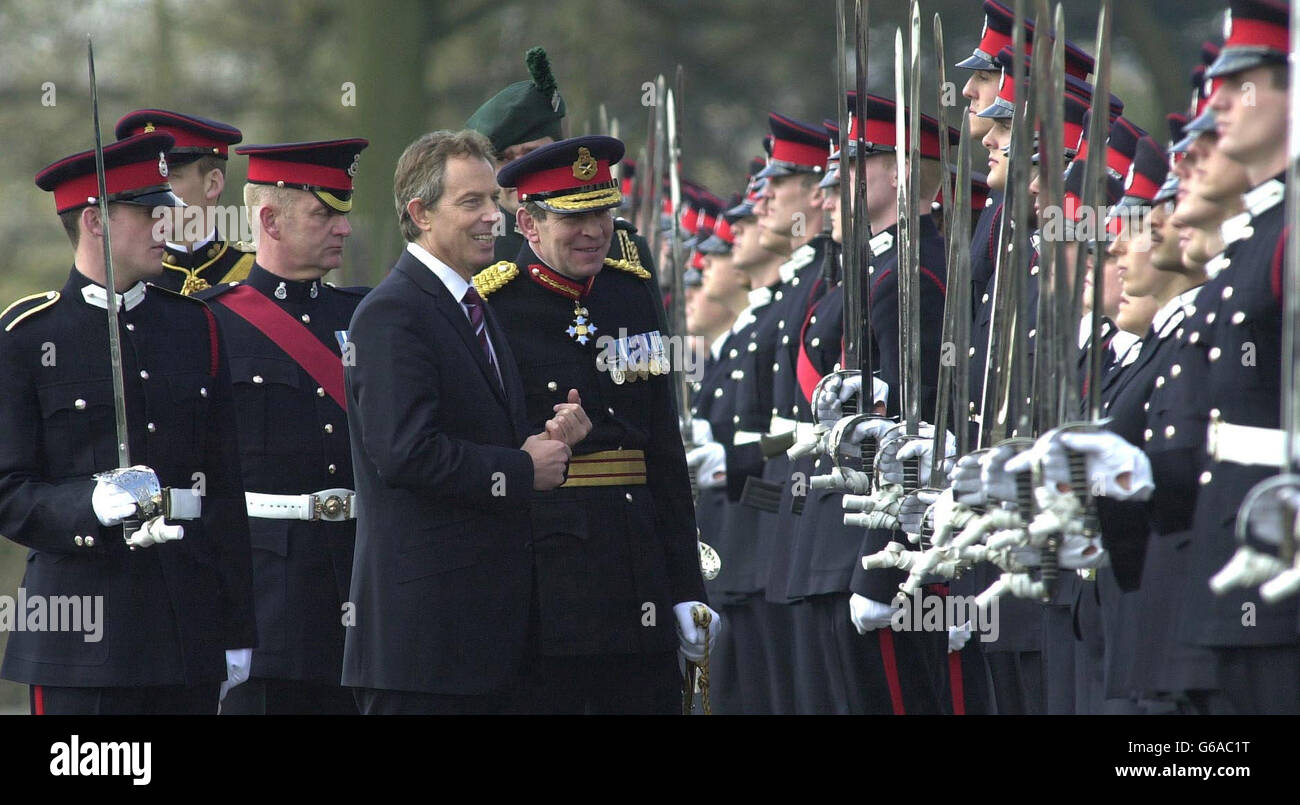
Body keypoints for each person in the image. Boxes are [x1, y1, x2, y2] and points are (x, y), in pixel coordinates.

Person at [0, 131, 255, 714]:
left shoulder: (196, 326)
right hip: (80, 637)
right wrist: (88, 506)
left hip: (184, 630)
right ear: (94, 221)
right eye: (148, 213)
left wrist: (237, 627)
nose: (168, 227)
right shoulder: (28, 336)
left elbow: (223, 484)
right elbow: (8, 490)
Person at [341, 129, 584, 714]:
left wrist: (551, 436)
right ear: (419, 213)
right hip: (425, 648)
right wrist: (522, 468)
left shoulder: (468, 305)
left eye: (494, 201)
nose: (491, 218)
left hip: (479, 643)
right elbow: (404, 453)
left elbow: (473, 430)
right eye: (470, 202)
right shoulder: (393, 313)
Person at [488, 134, 719, 713]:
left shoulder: (632, 291)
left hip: (638, 566)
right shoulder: (493, 304)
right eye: (573, 217)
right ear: (529, 224)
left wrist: (687, 589)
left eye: (601, 211)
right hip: (548, 580)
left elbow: (664, 450)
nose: (593, 230)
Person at [198, 138, 370, 714]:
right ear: (269, 220)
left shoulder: (366, 317)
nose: (343, 228)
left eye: (343, 212)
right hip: (264, 588)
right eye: (324, 213)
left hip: (362, 580)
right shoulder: (212, 323)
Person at [115, 109, 253, 294]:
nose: (152, 195)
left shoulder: (254, 275)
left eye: (168, 179)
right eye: (146, 182)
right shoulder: (125, 285)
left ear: (212, 184)